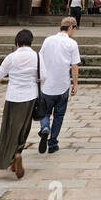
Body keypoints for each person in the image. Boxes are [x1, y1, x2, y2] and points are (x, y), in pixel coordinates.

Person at [0, 29, 40, 179]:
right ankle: (17, 153)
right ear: (30, 42)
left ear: (17, 43)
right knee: (23, 128)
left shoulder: (11, 57)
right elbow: (43, 76)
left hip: (13, 97)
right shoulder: (37, 56)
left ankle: (11, 158)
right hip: (30, 97)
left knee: (9, 129)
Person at [37, 17, 81, 154]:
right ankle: (52, 143)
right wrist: (75, 84)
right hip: (62, 85)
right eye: (74, 29)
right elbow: (74, 66)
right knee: (59, 115)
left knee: (45, 112)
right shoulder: (72, 44)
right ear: (71, 27)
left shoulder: (48, 40)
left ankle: (45, 127)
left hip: (47, 85)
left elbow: (39, 59)